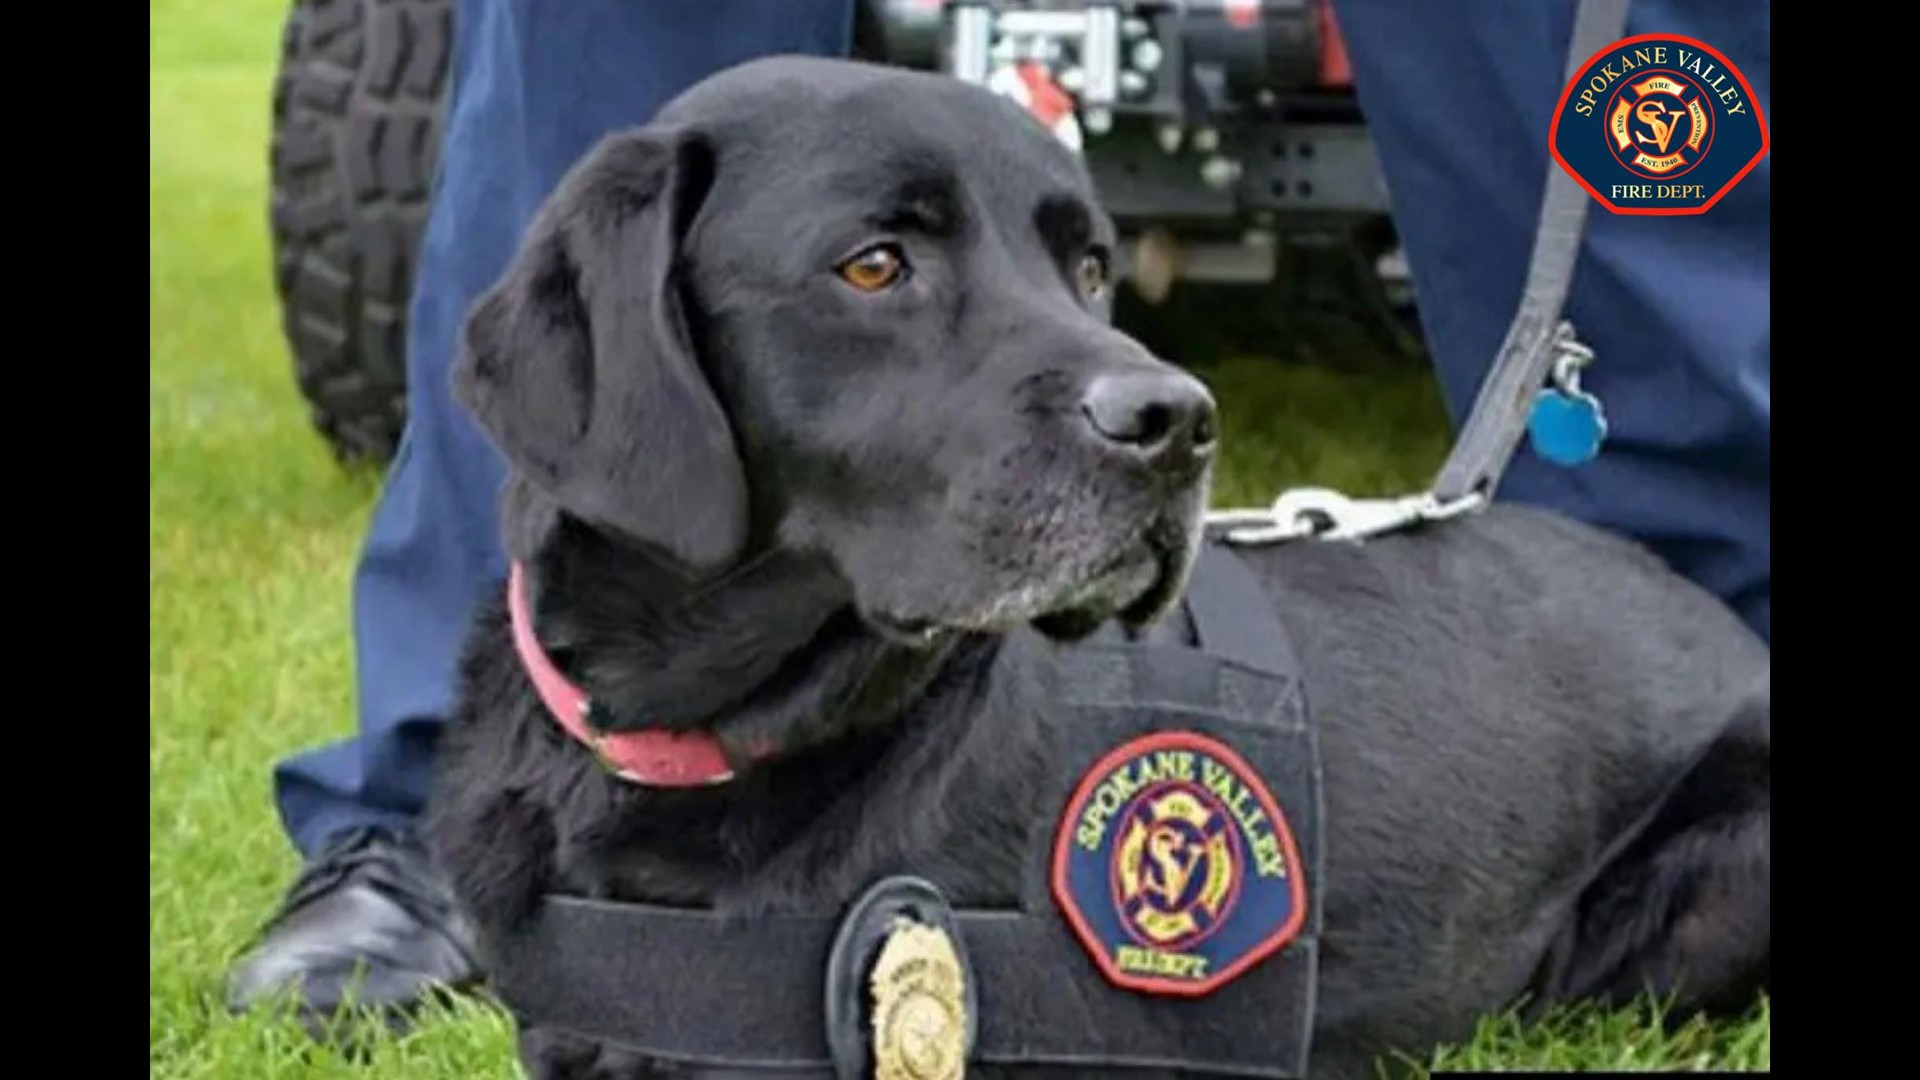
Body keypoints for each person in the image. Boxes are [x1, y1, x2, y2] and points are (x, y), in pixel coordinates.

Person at [226, 0, 1768, 1029]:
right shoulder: (633, 284)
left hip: (1672, 763)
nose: (1127, 375)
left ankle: (1711, 589)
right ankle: (418, 826)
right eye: (882, 268)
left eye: (1081, 272)